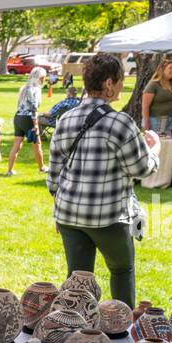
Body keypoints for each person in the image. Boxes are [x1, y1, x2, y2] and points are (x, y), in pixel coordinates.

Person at [47, 52, 159, 307]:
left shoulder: (65, 119)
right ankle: (121, 328)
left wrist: (59, 210)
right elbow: (142, 168)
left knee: (77, 281)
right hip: (108, 217)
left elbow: (54, 175)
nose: (122, 86)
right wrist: (156, 150)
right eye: (120, 80)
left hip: (69, 215)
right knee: (121, 271)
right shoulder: (120, 122)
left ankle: (70, 325)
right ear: (109, 83)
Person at [6, 66, 49, 176]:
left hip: (18, 117)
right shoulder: (36, 89)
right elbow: (34, 107)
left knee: (16, 144)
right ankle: (42, 167)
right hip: (28, 118)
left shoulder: (24, 88)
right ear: (41, 77)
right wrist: (35, 124)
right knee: (37, 144)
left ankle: (9, 170)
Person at [141, 57, 172, 136]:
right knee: (159, 144)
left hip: (171, 120)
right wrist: (146, 123)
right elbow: (145, 106)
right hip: (157, 121)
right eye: (170, 68)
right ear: (162, 70)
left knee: (168, 145)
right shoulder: (154, 84)